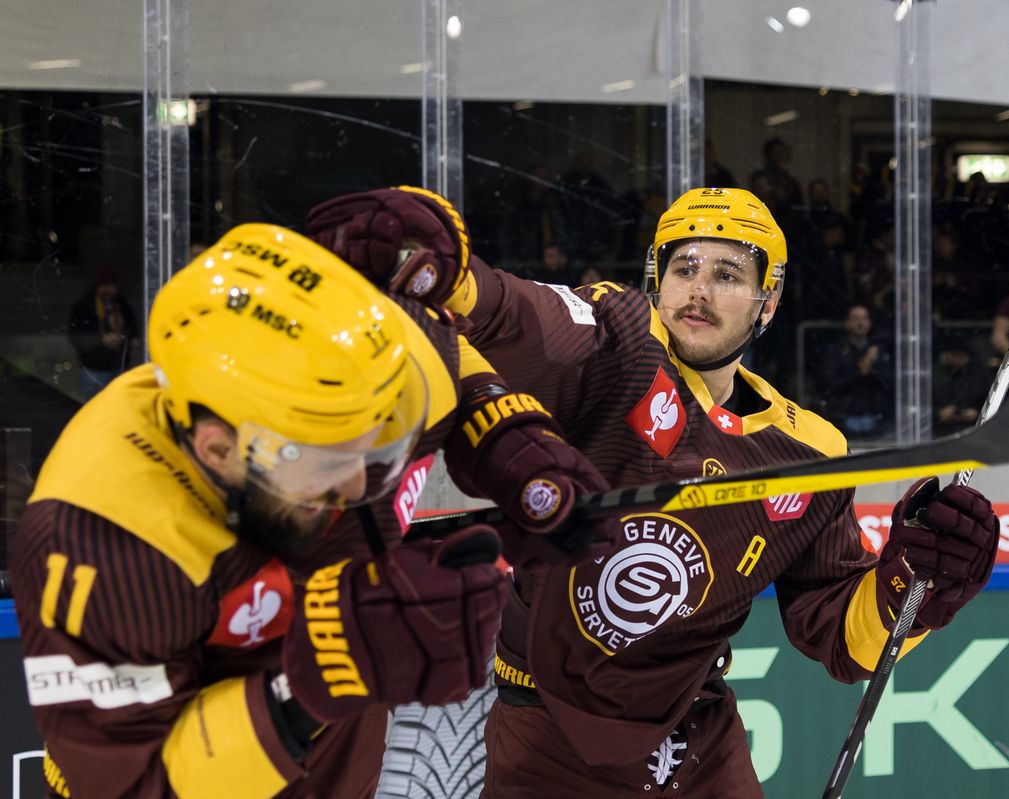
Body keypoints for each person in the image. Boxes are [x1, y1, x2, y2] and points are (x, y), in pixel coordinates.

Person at [306, 186, 1001, 798]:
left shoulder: (811, 452)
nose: (698, 290)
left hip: (699, 737)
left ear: (768, 302)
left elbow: (839, 636)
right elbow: (530, 317)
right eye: (683, 268)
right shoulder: (621, 344)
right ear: (655, 282)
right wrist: (455, 281)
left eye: (727, 274)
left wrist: (913, 583)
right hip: (547, 736)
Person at [11, 224, 612, 798]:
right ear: (218, 449)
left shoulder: (356, 374)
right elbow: (133, 785)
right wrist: (320, 675)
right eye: (328, 456)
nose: (359, 484)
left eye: (376, 444)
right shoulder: (102, 541)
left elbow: (445, 360)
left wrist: (512, 447)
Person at [816, 304, 894, 440]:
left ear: (870, 323)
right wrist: (859, 370)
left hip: (877, 420)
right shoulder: (835, 351)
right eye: (856, 318)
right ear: (847, 323)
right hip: (843, 419)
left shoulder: (878, 351)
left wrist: (875, 366)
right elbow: (830, 386)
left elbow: (891, 383)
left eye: (865, 318)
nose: (861, 323)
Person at [67, 266, 140, 398]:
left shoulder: (122, 304)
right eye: (105, 286)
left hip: (119, 367)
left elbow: (131, 325)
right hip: (94, 369)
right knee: (93, 405)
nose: (109, 290)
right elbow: (75, 337)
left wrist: (133, 339)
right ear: (97, 286)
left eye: (112, 286)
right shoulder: (83, 307)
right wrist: (100, 340)